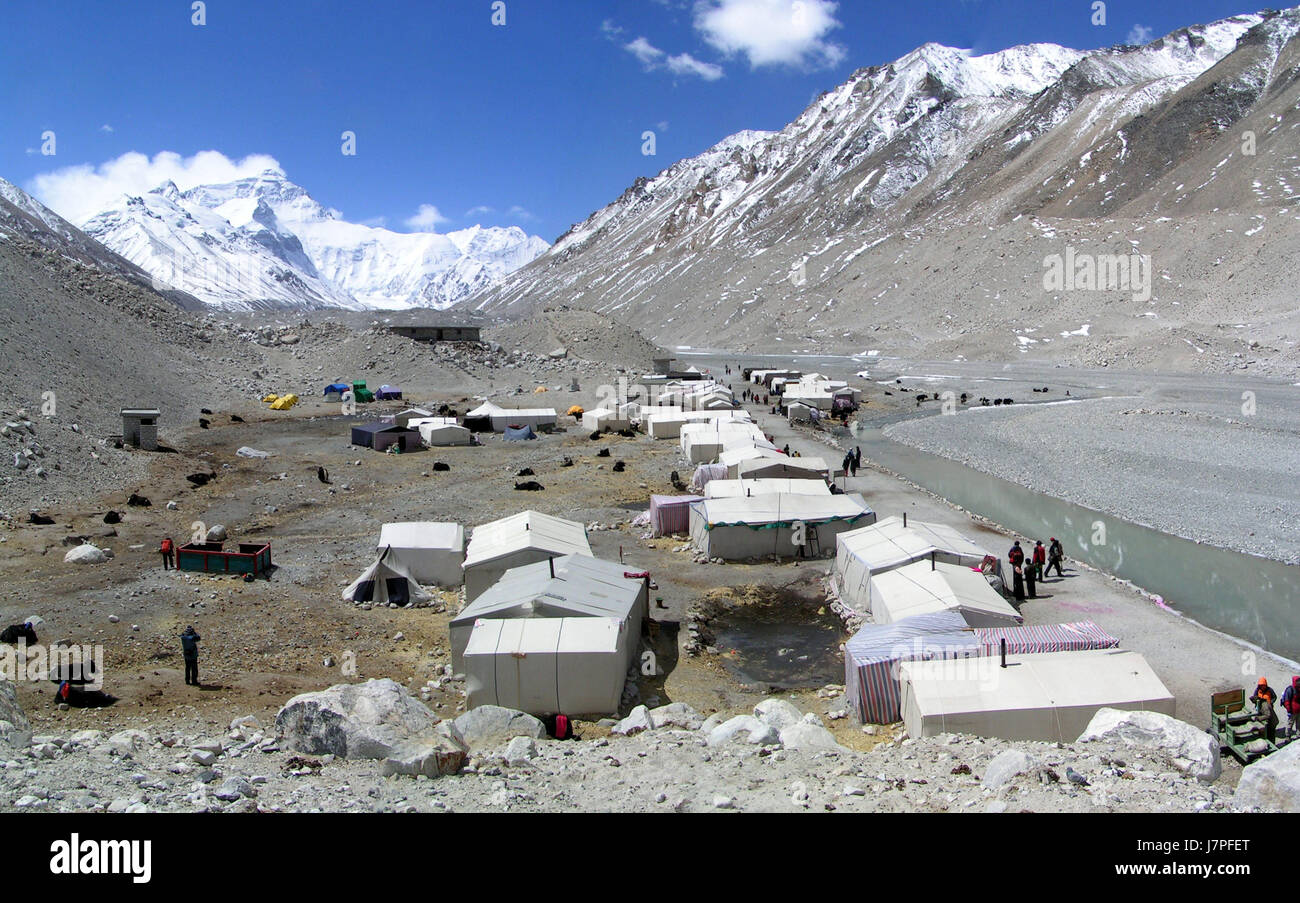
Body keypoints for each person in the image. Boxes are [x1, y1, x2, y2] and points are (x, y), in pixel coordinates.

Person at [1252, 678, 1279, 744]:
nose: (1262, 686)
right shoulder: (1257, 690)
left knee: (1270, 732)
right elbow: (1255, 697)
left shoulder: (1270, 690)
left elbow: (1274, 697)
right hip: (1261, 709)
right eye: (1261, 685)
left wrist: (1271, 702)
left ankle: (1270, 743)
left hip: (1268, 709)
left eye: (1263, 685)